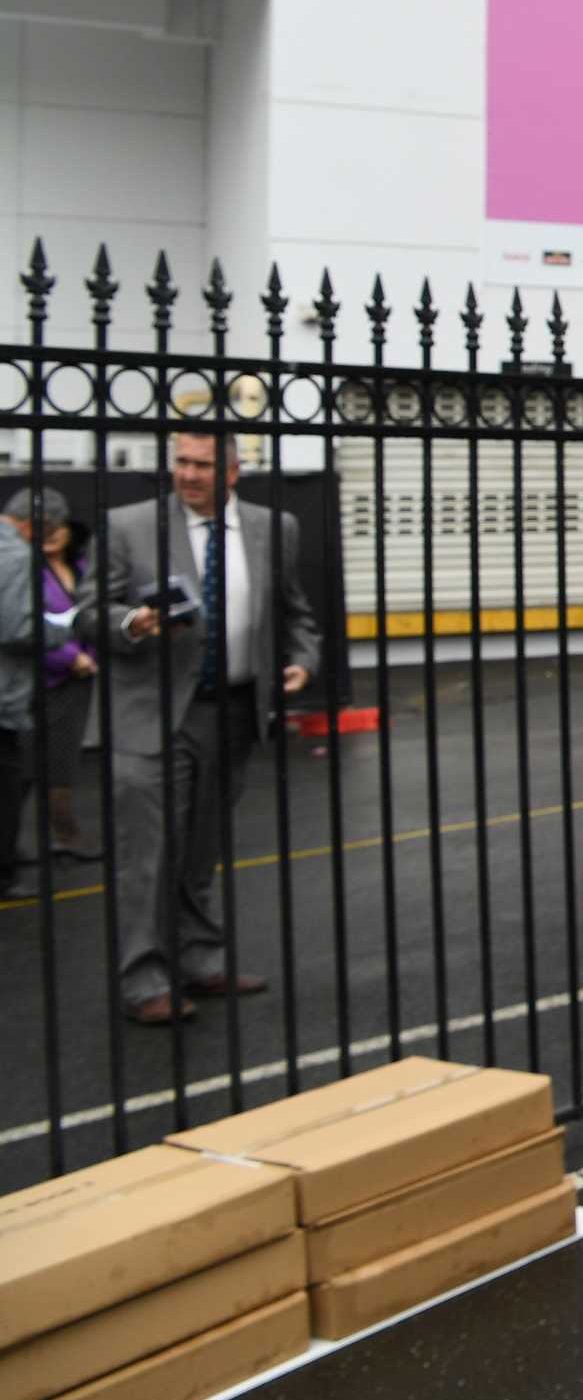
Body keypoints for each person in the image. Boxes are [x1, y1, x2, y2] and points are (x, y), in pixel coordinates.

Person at [91, 432, 321, 1025]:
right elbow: (89, 612)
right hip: (153, 712)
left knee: (202, 847)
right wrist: (134, 624)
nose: (189, 475)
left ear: (234, 471)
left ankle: (199, 958)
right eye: (182, 463)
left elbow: (294, 612)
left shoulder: (276, 528)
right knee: (148, 852)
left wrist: (302, 659)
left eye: (203, 465)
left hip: (236, 710)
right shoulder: (128, 525)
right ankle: (145, 980)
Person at [2, 487, 100, 872]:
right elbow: (18, 627)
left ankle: (15, 847)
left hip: (50, 680)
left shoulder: (73, 566)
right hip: (33, 681)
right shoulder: (16, 557)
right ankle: (13, 858)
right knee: (23, 767)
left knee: (33, 766)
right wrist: (66, 642)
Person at [0, 500, 39, 903]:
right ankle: (3, 874)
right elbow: (17, 627)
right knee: (7, 786)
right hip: (5, 694)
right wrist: (62, 629)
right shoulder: (15, 554)